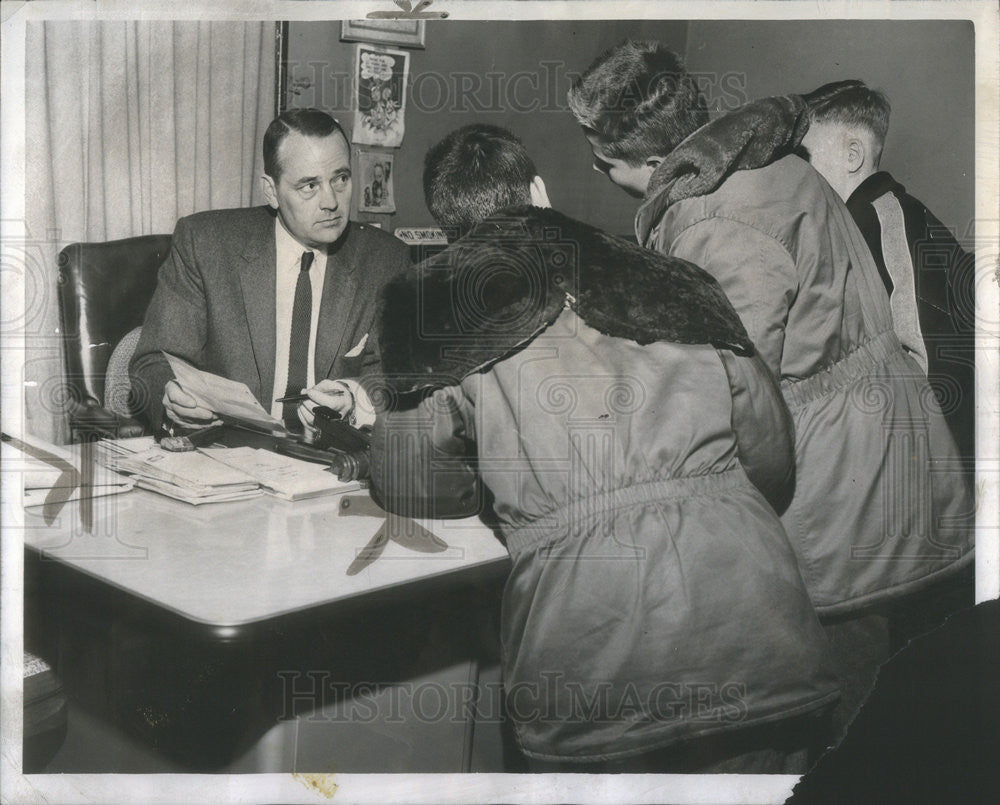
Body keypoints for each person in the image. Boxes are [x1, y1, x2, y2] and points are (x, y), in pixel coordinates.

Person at [368, 124, 839, 772]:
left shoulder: (434, 312)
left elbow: (404, 477)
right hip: (759, 632)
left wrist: (499, 476)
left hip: (592, 657)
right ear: (538, 189)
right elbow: (772, 454)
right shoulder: (675, 275)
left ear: (450, 230)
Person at [567, 41, 973, 743]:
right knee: (884, 717)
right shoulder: (772, 168)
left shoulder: (715, 220)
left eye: (598, 161)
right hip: (878, 470)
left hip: (843, 498)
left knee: (843, 731)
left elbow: (729, 391)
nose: (599, 175)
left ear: (629, 159)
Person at [129, 108, 411, 435]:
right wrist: (171, 398)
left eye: (341, 178)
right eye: (309, 186)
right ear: (271, 191)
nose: (331, 201)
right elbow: (152, 363)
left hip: (330, 460)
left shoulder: (385, 260)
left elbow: (398, 378)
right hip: (228, 454)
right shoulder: (206, 244)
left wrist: (351, 397)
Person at [801, 79, 975, 462]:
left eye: (805, 157)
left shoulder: (885, 220)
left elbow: (928, 363)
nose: (799, 175)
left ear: (853, 154)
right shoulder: (873, 219)